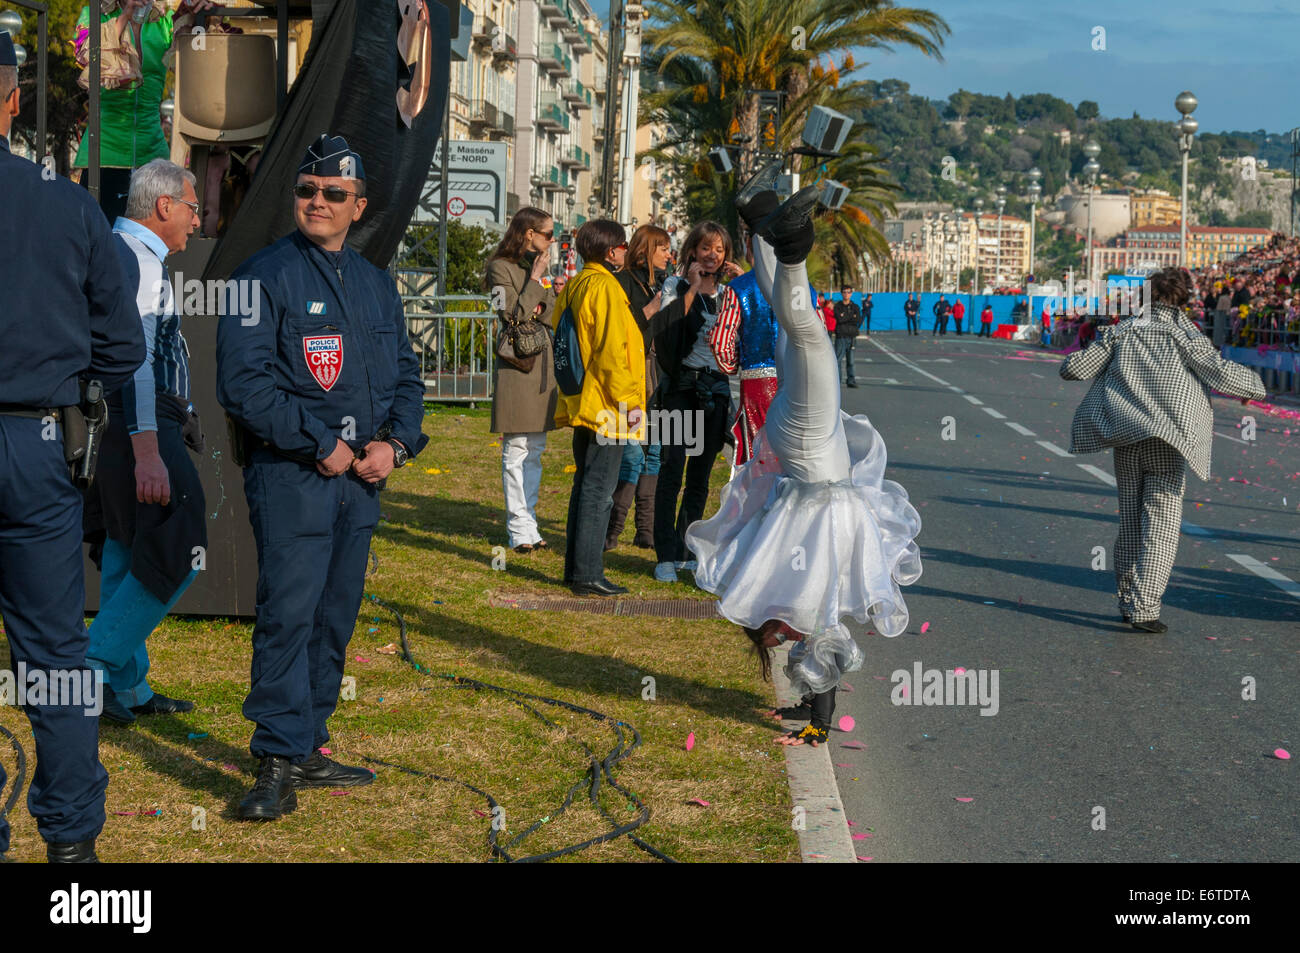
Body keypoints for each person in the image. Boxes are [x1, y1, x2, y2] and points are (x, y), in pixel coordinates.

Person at [215, 134, 428, 821]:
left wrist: (396, 444)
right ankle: (275, 760)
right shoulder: (260, 276)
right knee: (289, 614)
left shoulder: (373, 279)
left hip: (361, 483)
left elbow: (406, 377)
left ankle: (307, 743)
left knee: (334, 617)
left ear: (358, 205)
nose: (318, 202)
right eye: (307, 190)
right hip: (293, 478)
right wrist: (321, 445)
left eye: (334, 194)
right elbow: (243, 386)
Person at [685, 169, 922, 746]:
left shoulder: (798, 595)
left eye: (773, 638)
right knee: (804, 328)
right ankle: (771, 232)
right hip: (802, 452)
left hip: (808, 451)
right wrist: (814, 722)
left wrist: (816, 723)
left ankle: (773, 233)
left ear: (770, 629)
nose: (782, 639)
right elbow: (821, 644)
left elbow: (823, 644)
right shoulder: (791, 597)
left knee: (805, 328)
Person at [0, 31, 146, 862]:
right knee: (54, 651)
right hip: (36, 440)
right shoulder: (66, 206)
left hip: (35, 431)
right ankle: (72, 849)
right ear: (15, 101)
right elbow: (123, 346)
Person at [1060, 267, 1264, 633]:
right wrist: (1255, 385)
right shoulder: (1185, 332)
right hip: (1168, 438)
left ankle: (1127, 598)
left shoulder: (1122, 330)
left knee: (1131, 521)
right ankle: (1145, 606)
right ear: (1184, 298)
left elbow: (1074, 369)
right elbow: (1215, 370)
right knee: (1163, 524)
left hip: (1124, 435)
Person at [85, 159, 205, 727]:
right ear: (163, 207)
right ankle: (93, 668)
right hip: (135, 416)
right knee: (181, 541)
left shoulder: (118, 252)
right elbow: (132, 360)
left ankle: (127, 688)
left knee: (124, 547)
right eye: (191, 206)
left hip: (114, 419)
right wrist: (149, 449)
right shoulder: (137, 260)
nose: (197, 220)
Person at [553, 219, 644, 595]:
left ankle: (578, 569)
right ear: (610, 251)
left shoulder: (576, 284)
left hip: (583, 400)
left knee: (585, 487)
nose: (626, 251)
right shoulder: (606, 286)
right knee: (599, 490)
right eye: (623, 245)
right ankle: (588, 573)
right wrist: (630, 404)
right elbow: (611, 353)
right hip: (608, 404)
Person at [651, 220, 743, 583]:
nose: (713, 255)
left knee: (700, 477)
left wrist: (743, 286)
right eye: (706, 248)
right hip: (681, 391)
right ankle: (664, 555)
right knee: (671, 472)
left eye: (719, 250)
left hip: (716, 390)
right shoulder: (675, 285)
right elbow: (669, 332)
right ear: (692, 251)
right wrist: (690, 287)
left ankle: (688, 549)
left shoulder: (729, 293)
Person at [73, 0, 212, 221]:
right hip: (103, 153)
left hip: (153, 155)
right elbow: (86, 56)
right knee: (102, 244)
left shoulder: (165, 20)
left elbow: (195, 62)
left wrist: (200, 17)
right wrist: (124, 16)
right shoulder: (93, 13)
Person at [607, 224, 696, 549]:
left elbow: (671, 328)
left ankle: (645, 531)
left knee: (654, 454)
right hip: (630, 380)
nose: (668, 255)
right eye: (663, 249)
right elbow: (623, 334)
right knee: (631, 455)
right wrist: (653, 308)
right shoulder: (623, 283)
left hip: (659, 380)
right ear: (647, 249)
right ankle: (611, 530)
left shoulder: (660, 283)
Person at [486, 207, 558, 555]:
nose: (551, 242)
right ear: (528, 233)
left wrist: (537, 292)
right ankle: (518, 529)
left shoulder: (534, 270)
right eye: (547, 234)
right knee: (515, 451)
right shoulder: (499, 266)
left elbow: (553, 311)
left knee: (536, 451)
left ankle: (530, 522)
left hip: (542, 366)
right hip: (518, 367)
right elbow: (512, 314)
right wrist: (536, 285)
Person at [832, 285, 862, 387]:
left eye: (848, 292)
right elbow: (839, 319)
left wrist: (845, 316)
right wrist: (850, 316)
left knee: (851, 361)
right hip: (841, 336)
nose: (846, 294)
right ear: (841, 293)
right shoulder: (837, 306)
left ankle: (851, 380)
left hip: (852, 337)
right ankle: (837, 381)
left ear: (851, 293)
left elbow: (857, 319)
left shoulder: (855, 307)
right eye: (844, 292)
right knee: (838, 360)